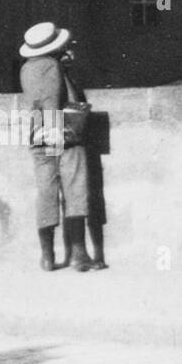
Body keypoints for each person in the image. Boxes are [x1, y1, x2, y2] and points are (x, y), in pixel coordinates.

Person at [19, 21, 93, 272]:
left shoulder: (26, 69)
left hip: (38, 135)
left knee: (46, 192)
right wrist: (67, 71)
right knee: (74, 188)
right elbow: (69, 98)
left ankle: (48, 256)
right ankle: (79, 254)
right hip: (61, 133)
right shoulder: (55, 66)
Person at [59, 41, 108, 270]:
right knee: (76, 194)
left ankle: (77, 252)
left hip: (58, 139)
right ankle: (79, 254)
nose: (71, 53)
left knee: (70, 195)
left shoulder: (49, 73)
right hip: (70, 140)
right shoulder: (60, 76)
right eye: (66, 49)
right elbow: (72, 108)